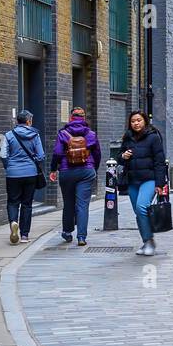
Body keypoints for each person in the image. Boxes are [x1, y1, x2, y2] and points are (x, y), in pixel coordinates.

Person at [50, 106, 101, 248]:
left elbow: (57, 153)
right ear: (83, 118)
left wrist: (53, 169)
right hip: (86, 171)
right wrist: (93, 168)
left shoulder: (63, 133)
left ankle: (67, 232)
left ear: (71, 118)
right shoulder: (90, 134)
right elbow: (97, 154)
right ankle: (81, 237)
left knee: (68, 203)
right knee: (83, 205)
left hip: (67, 172)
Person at [120, 111, 167, 257]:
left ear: (145, 121)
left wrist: (159, 184)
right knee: (138, 212)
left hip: (149, 179)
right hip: (133, 180)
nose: (136, 123)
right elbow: (120, 158)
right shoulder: (127, 138)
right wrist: (123, 156)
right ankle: (147, 241)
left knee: (141, 207)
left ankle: (149, 241)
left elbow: (160, 162)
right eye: (133, 121)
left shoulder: (153, 138)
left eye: (139, 120)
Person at [0, 110, 46, 244]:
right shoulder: (35, 134)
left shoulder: (8, 135)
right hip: (30, 173)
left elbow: (3, 155)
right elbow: (41, 155)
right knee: (27, 204)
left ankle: (14, 222)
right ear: (28, 121)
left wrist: (9, 167)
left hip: (13, 174)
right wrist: (33, 163)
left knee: (13, 202)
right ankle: (24, 235)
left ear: (17, 121)